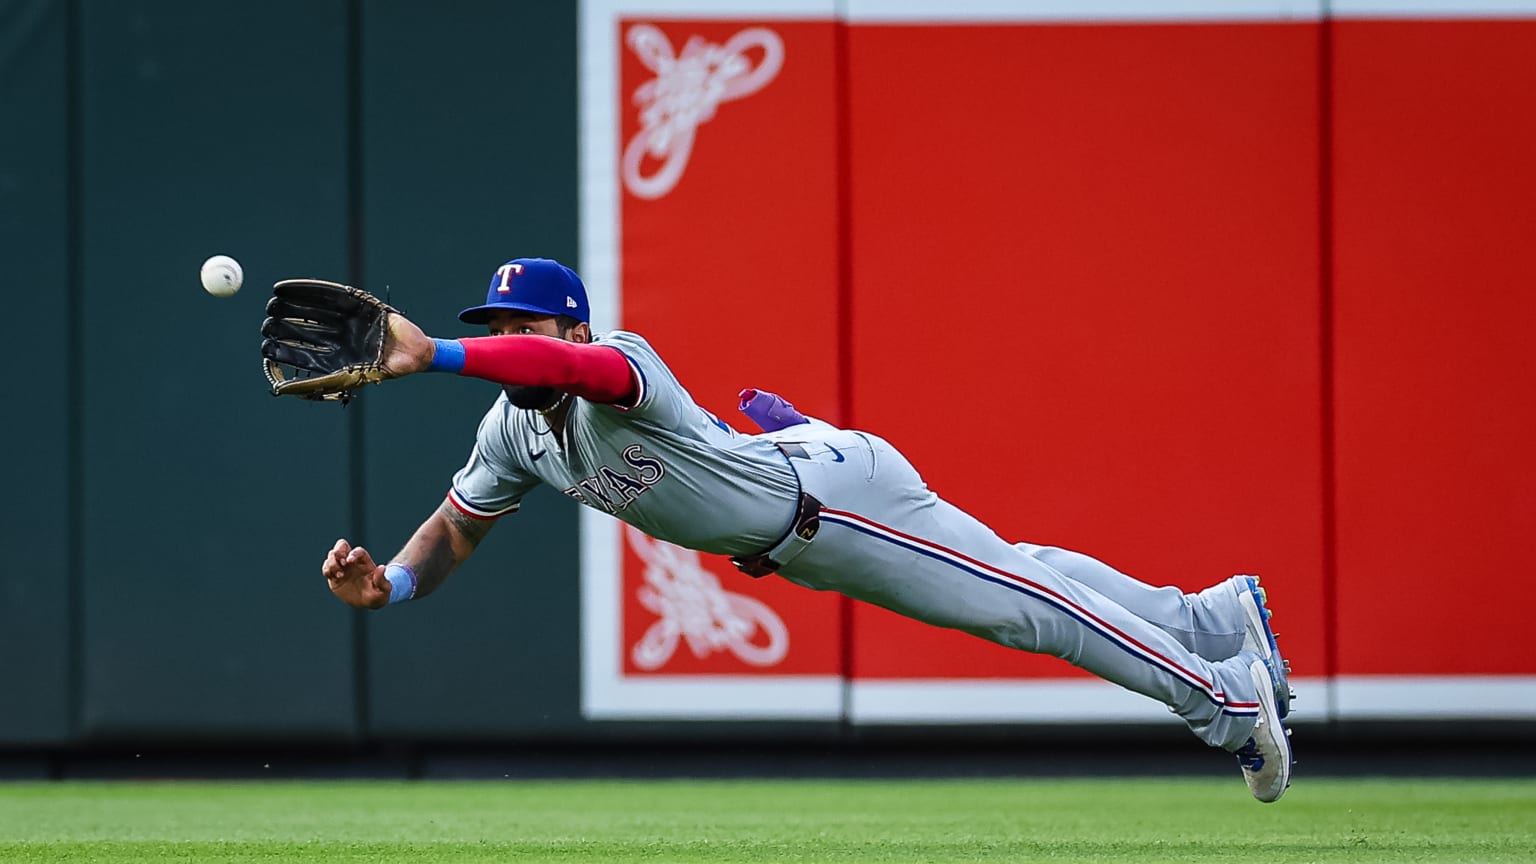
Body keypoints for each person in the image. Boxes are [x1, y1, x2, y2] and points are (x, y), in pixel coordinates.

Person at [318, 257, 1295, 802]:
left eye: (521, 326)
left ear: (567, 333)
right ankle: (1211, 618)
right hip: (800, 498)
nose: (505, 338)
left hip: (841, 504)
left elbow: (582, 376)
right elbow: (457, 526)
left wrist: (438, 353)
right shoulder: (510, 432)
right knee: (1020, 570)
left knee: (1026, 608)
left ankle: (1229, 704)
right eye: (493, 325)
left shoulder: (617, 362)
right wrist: (393, 584)